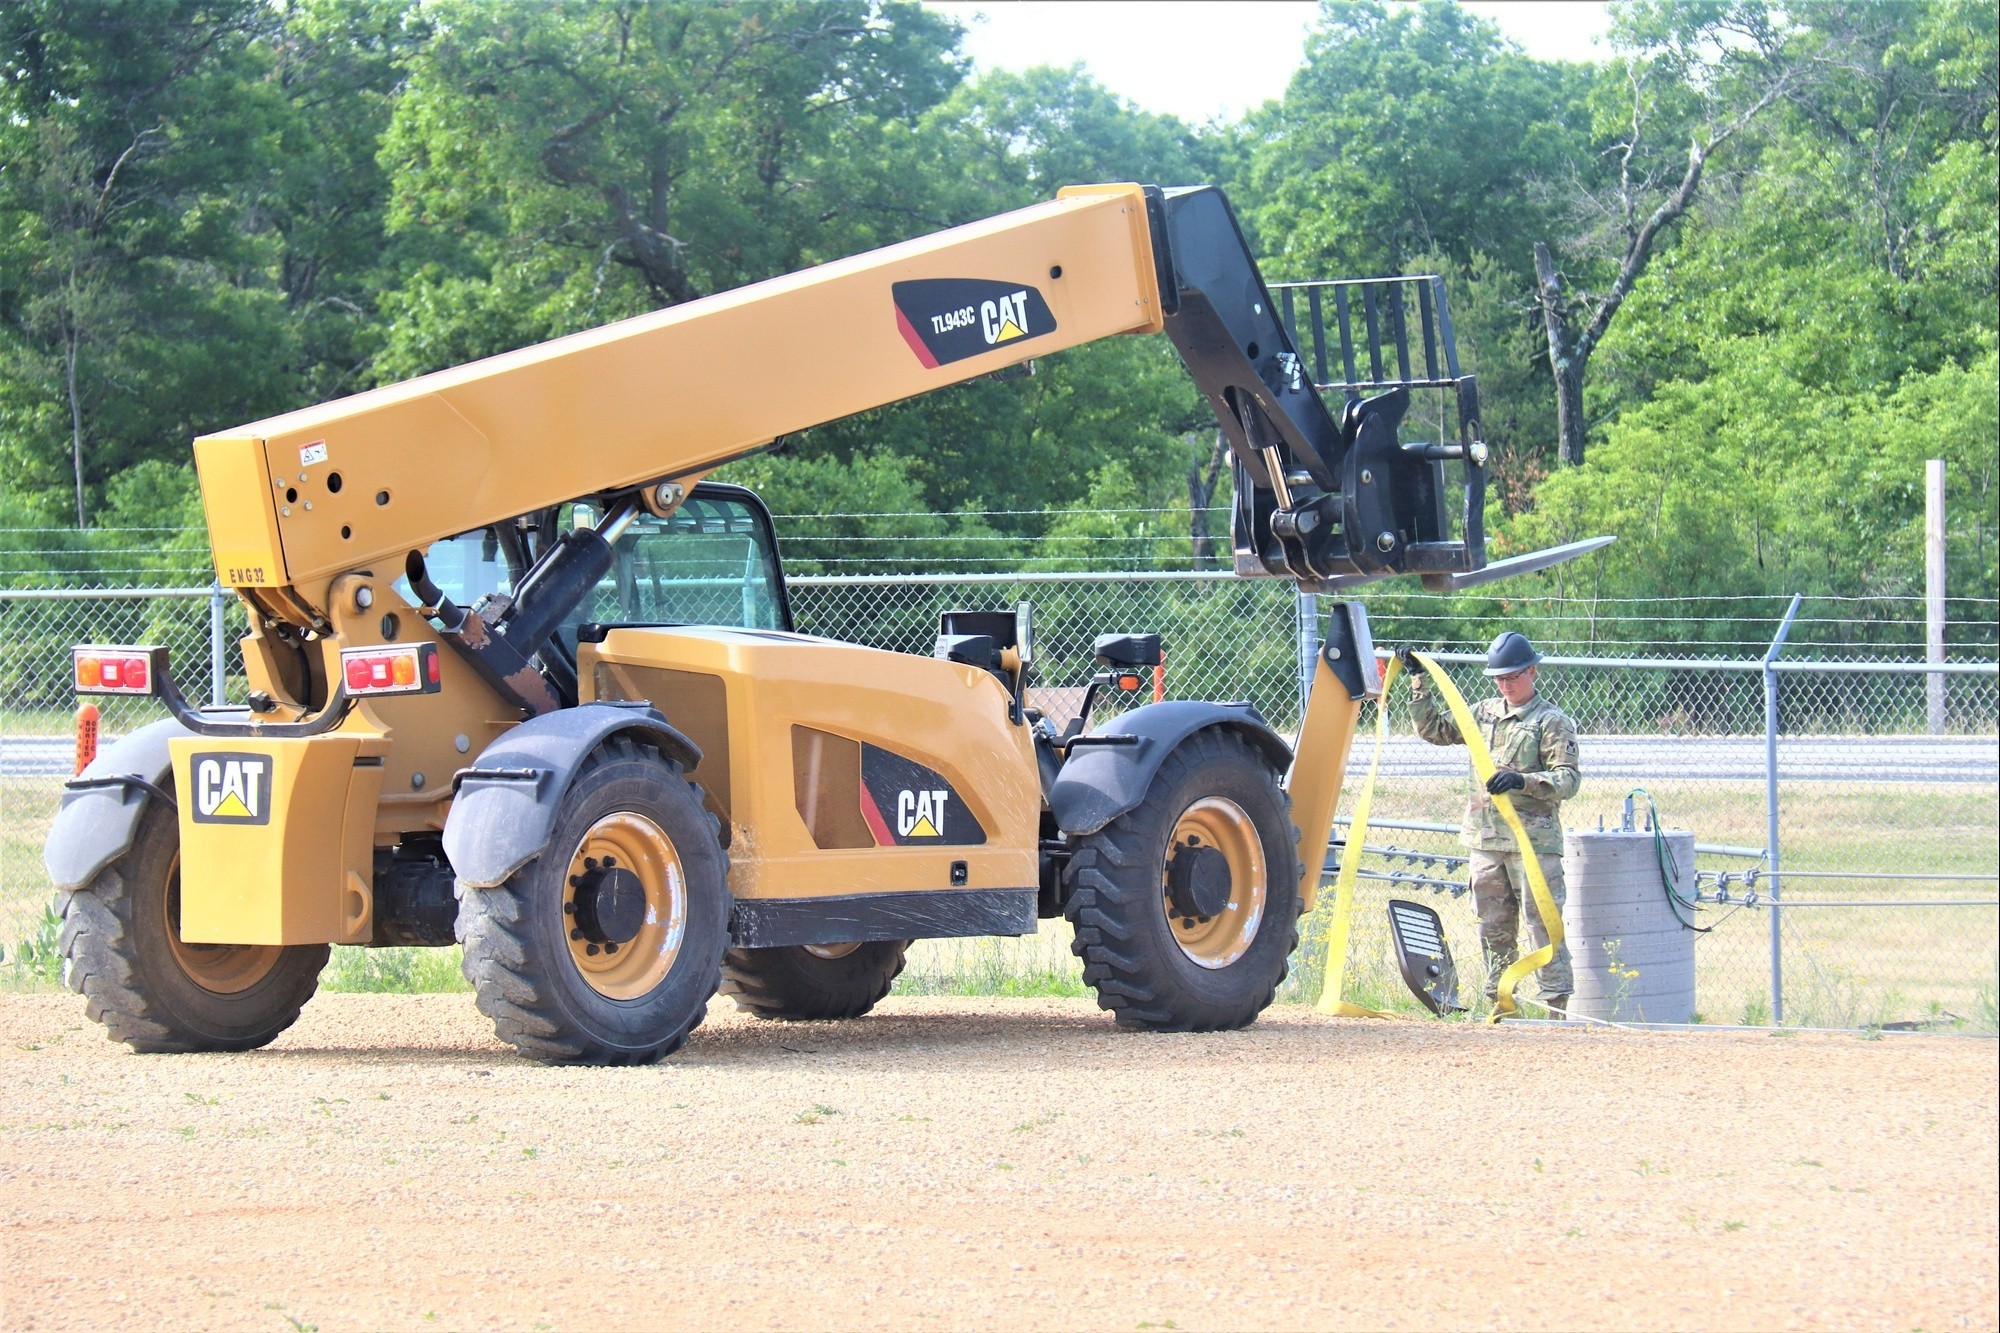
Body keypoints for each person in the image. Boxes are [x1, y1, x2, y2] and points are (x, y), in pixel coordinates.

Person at [1399, 632, 1579, 1017]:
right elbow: (1433, 729)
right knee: (1493, 928)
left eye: (1513, 676)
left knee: (1543, 926)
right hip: (1486, 841)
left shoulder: (1551, 721)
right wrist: (1417, 680)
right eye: (1500, 679)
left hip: (1532, 844)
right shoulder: (1483, 713)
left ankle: (1556, 1010)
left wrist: (1523, 781)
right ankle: (1501, 1005)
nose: (1506, 685)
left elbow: (1568, 780)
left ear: (1531, 672)